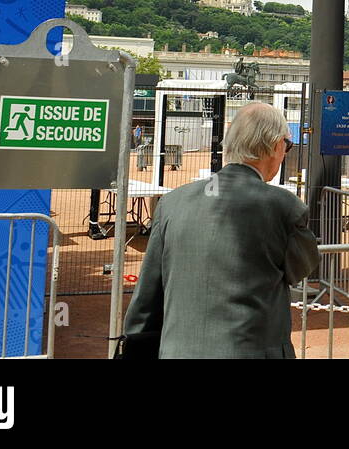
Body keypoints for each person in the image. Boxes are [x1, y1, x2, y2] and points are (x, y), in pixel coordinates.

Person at [123, 102, 319, 358]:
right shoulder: (285, 207)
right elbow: (302, 268)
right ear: (275, 145)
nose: (285, 154)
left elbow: (147, 295)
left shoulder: (173, 202)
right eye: (287, 146)